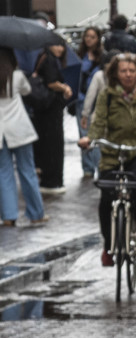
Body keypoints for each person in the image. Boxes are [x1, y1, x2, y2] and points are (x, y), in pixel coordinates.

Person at [79, 53, 136, 260]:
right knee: (106, 195)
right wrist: (90, 138)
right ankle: (108, 245)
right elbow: (99, 121)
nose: (128, 75)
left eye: (132, 71)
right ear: (115, 74)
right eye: (123, 71)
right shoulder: (108, 95)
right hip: (113, 153)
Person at [0, 50, 46, 228]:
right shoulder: (17, 76)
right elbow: (27, 90)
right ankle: (36, 214)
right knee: (27, 171)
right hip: (19, 129)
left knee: (4, 173)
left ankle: (9, 216)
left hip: (1, 132)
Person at [29, 41, 69, 194]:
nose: (60, 49)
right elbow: (51, 83)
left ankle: (48, 178)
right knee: (53, 144)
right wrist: (65, 87)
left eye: (62, 46)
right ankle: (52, 181)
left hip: (45, 109)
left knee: (48, 143)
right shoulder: (50, 59)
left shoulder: (43, 57)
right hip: (50, 109)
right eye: (57, 45)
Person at [72, 27, 105, 177]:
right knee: (84, 133)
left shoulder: (102, 57)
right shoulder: (79, 56)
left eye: (92, 36)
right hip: (81, 99)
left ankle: (99, 166)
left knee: (97, 134)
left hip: (98, 101)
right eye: (87, 36)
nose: (89, 39)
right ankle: (87, 168)